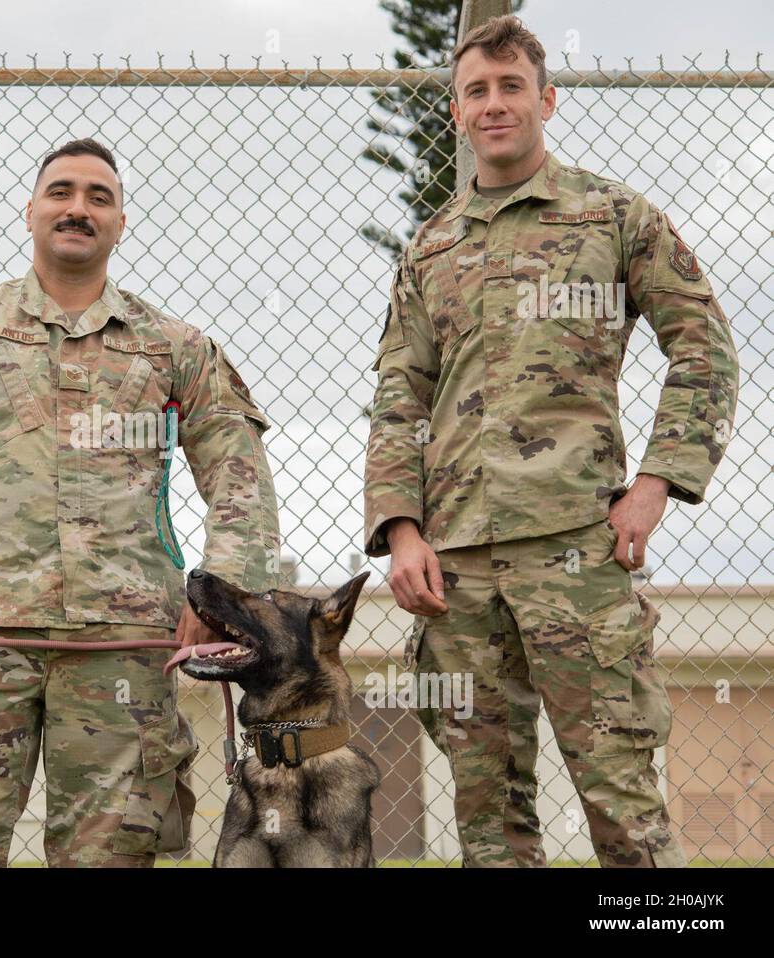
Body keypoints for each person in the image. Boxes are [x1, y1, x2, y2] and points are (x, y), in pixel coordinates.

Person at [364, 16, 739, 867]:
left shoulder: (614, 217)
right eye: (476, 92)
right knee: (491, 825)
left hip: (576, 550)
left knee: (623, 809)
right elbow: (398, 398)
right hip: (454, 566)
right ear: (457, 112)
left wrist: (659, 482)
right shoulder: (430, 248)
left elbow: (705, 346)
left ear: (547, 99)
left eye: (510, 87)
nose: (494, 105)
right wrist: (401, 530)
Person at [0, 137, 281, 867]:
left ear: (122, 223)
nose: (78, 209)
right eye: (61, 192)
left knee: (109, 857)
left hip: (123, 648)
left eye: (99, 197)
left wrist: (221, 595)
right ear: (30, 211)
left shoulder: (173, 347)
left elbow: (239, 474)